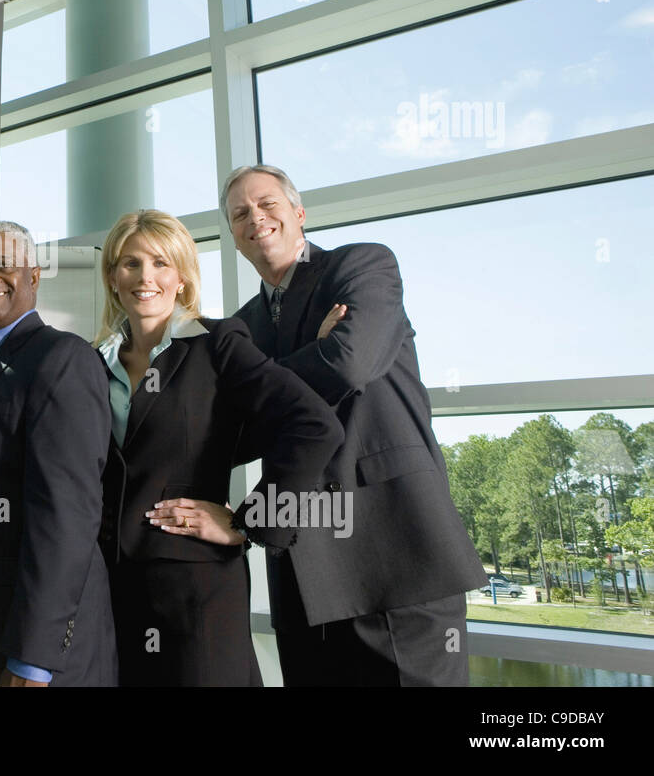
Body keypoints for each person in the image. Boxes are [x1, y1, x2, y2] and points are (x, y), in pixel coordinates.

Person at [224, 164, 486, 686]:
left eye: (268, 203)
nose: (255, 217)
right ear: (234, 236)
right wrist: (312, 354)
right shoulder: (241, 326)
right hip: (300, 569)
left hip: (394, 550)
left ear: (298, 214)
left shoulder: (363, 265)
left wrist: (270, 382)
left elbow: (350, 363)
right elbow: (235, 428)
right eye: (239, 214)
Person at [96, 209, 343, 686]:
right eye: (130, 263)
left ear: (183, 278)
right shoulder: (89, 362)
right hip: (108, 592)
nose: (146, 276)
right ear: (112, 276)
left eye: (160, 263)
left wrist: (248, 522)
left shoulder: (218, 344)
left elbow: (314, 425)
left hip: (196, 594)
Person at [0, 220, 116, 687]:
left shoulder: (63, 358)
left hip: (35, 655)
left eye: (4, 265)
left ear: (33, 276)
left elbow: (66, 518)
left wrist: (32, 659)